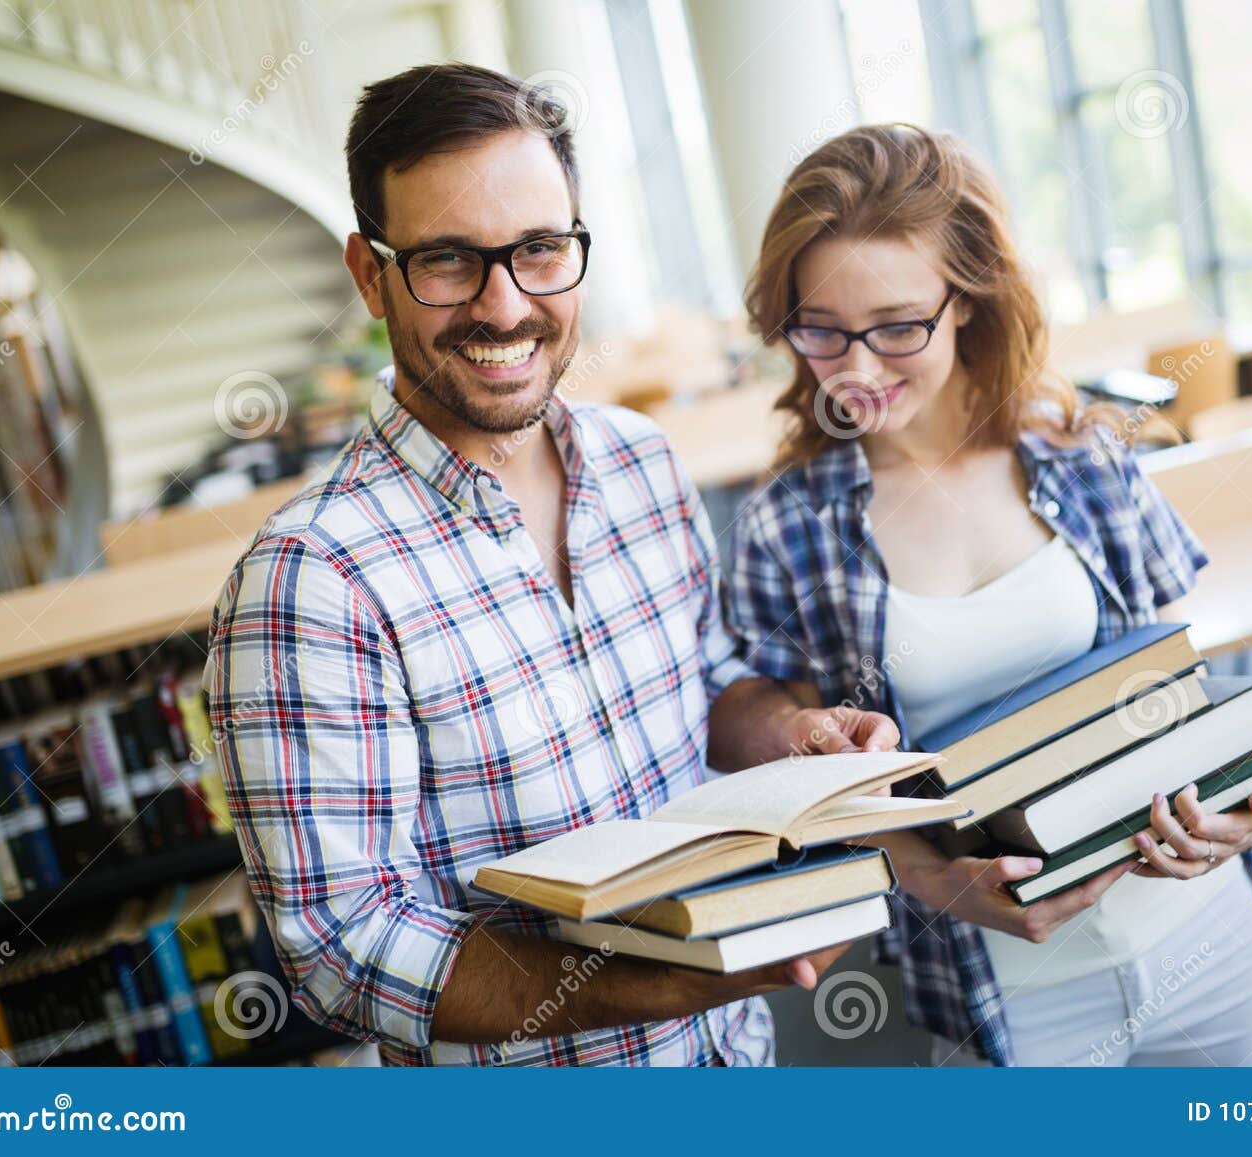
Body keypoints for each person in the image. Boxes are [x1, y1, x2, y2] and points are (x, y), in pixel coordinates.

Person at [203, 64, 895, 1067]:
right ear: (369, 271)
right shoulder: (311, 581)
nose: (503, 304)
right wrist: (674, 977)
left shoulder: (642, 462)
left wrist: (793, 732)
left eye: (537, 249)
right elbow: (342, 947)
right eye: (446, 259)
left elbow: (703, 689)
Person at [724, 124, 1252, 1067]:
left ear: (969, 300)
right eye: (823, 329)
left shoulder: (1083, 457)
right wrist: (923, 877)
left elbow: (1182, 682)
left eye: (899, 326)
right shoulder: (786, 523)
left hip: (1212, 933)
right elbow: (771, 761)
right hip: (1012, 989)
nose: (858, 370)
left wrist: (1242, 796)